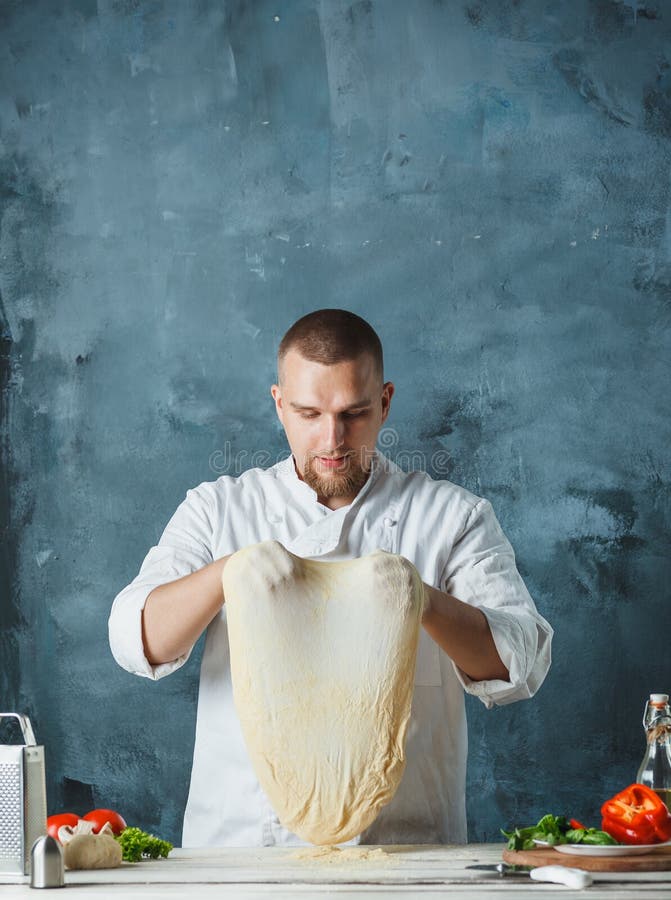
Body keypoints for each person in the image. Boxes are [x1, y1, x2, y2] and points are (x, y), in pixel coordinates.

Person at [109, 308, 552, 848]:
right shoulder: (218, 509)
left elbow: (520, 662)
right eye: (308, 413)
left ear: (385, 402)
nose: (332, 438)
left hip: (405, 854)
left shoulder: (451, 517)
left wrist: (421, 599)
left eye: (354, 413)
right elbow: (135, 639)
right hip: (244, 854)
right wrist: (231, 572)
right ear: (279, 405)